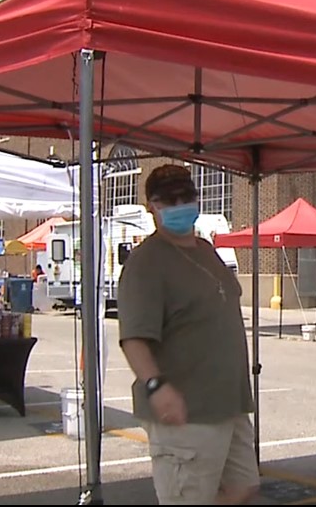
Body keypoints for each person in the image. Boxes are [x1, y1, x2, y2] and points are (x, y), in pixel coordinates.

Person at [116, 164, 258, 505]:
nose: (180, 204)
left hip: (227, 405)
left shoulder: (206, 250)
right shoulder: (146, 262)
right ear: (152, 206)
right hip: (186, 411)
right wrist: (156, 385)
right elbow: (134, 337)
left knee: (244, 487)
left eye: (186, 197)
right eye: (169, 200)